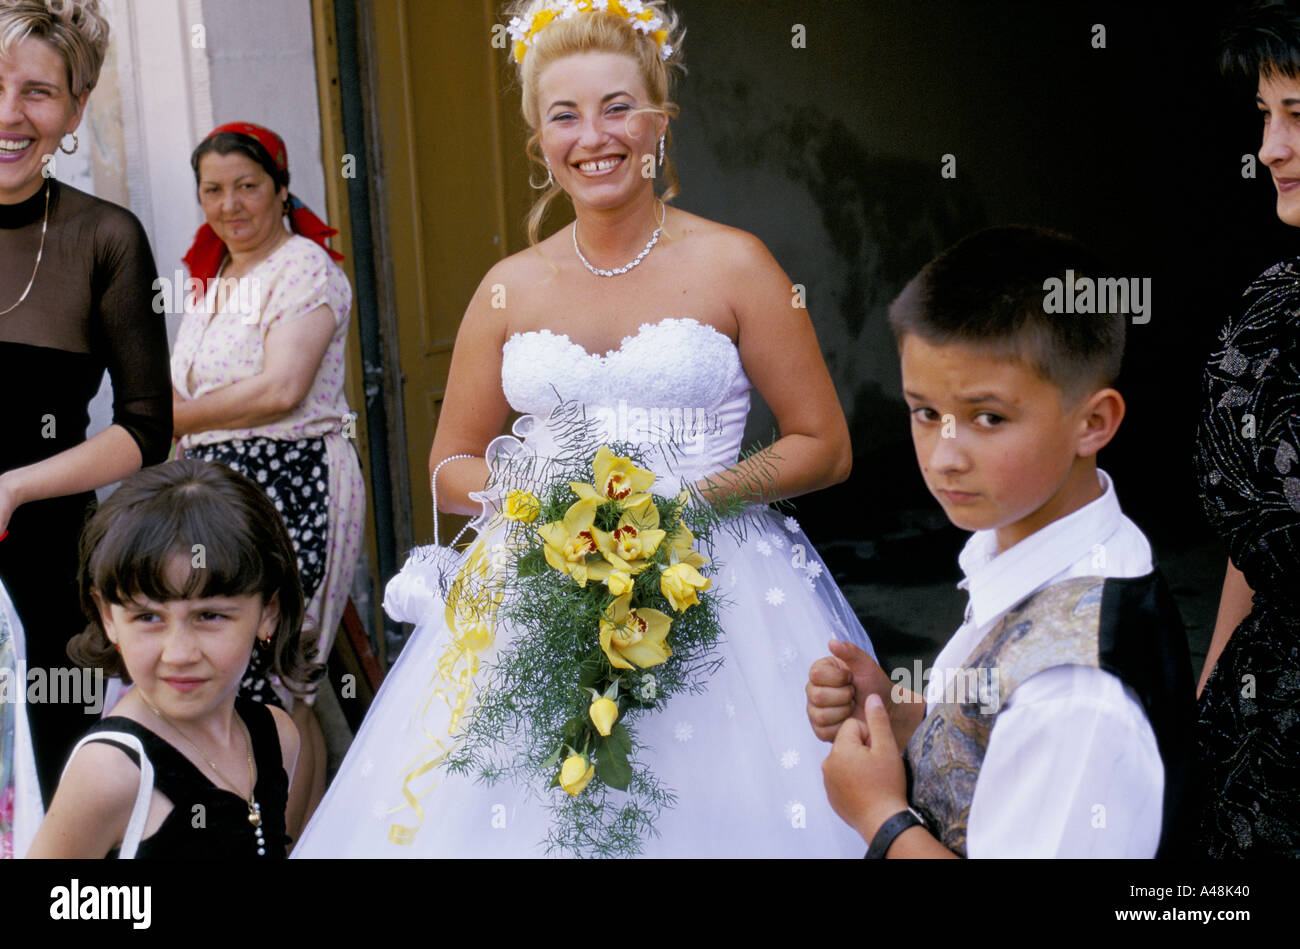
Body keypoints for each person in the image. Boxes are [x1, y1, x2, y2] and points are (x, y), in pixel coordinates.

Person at [294, 0, 874, 857]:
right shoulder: (508, 286)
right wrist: (548, 504)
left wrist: (681, 504)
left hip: (718, 582)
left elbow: (823, 444)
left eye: (617, 108)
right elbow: (450, 463)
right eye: (564, 115)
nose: (593, 136)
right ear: (539, 142)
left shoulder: (737, 264)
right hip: (540, 580)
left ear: (659, 122)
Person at [807, 226, 1196, 858]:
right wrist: (900, 717)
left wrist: (879, 814)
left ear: (1093, 422)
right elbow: (987, 748)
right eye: (925, 412)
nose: (945, 455)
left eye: (989, 417)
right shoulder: (1036, 550)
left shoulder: (1073, 695)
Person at [0, 0, 172, 806]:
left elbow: (148, 428)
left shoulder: (106, 236)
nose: (10, 113)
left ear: (74, 109)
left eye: (38, 92)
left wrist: (17, 485)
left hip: (48, 556)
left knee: (56, 776)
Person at [170, 121, 364, 834]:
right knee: (242, 679)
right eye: (213, 189)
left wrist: (175, 413)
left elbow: (283, 387)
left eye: (247, 185)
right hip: (220, 495)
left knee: (285, 682)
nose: (230, 204)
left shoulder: (303, 268)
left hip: (295, 482)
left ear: (281, 189)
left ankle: (291, 838)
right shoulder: (216, 276)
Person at [27, 459, 312, 858]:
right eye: (148, 617)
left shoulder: (276, 736)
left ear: (268, 611)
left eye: (209, 616)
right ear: (109, 617)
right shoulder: (111, 771)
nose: (179, 653)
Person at [1195, 1, 1300, 858]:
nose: (1269, 148)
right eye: (1266, 117)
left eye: (1297, 116)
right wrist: (1209, 695)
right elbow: (1256, 533)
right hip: (1261, 736)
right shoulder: (1272, 308)